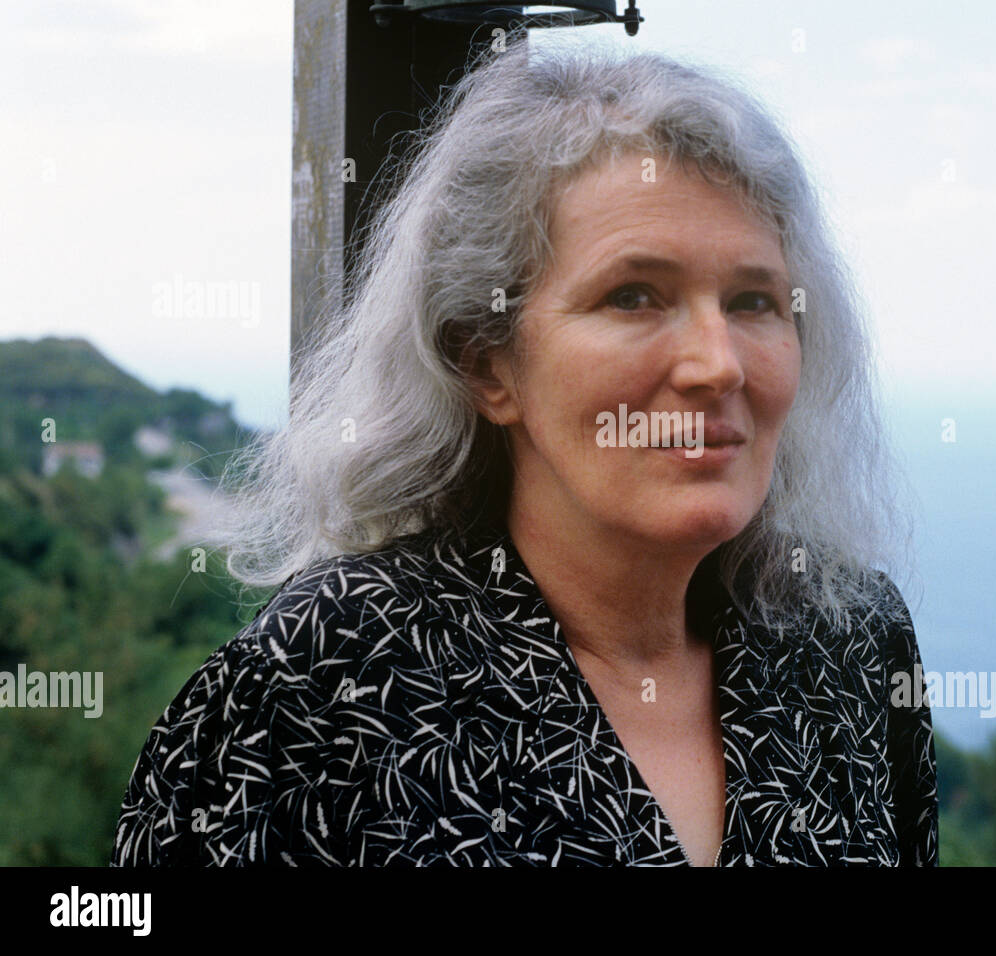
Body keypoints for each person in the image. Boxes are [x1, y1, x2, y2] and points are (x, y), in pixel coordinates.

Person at [110, 35, 936, 867]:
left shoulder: (850, 647)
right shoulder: (318, 686)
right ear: (486, 363)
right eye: (634, 296)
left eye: (755, 300)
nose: (717, 363)